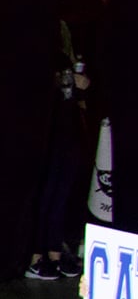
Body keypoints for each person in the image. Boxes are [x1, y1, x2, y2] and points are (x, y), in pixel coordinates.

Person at [26, 19, 92, 281]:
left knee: (62, 192)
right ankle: (35, 255)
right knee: (45, 192)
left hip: (69, 129)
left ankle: (55, 252)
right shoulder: (34, 51)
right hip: (46, 133)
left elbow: (78, 91)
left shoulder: (66, 56)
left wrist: (81, 83)